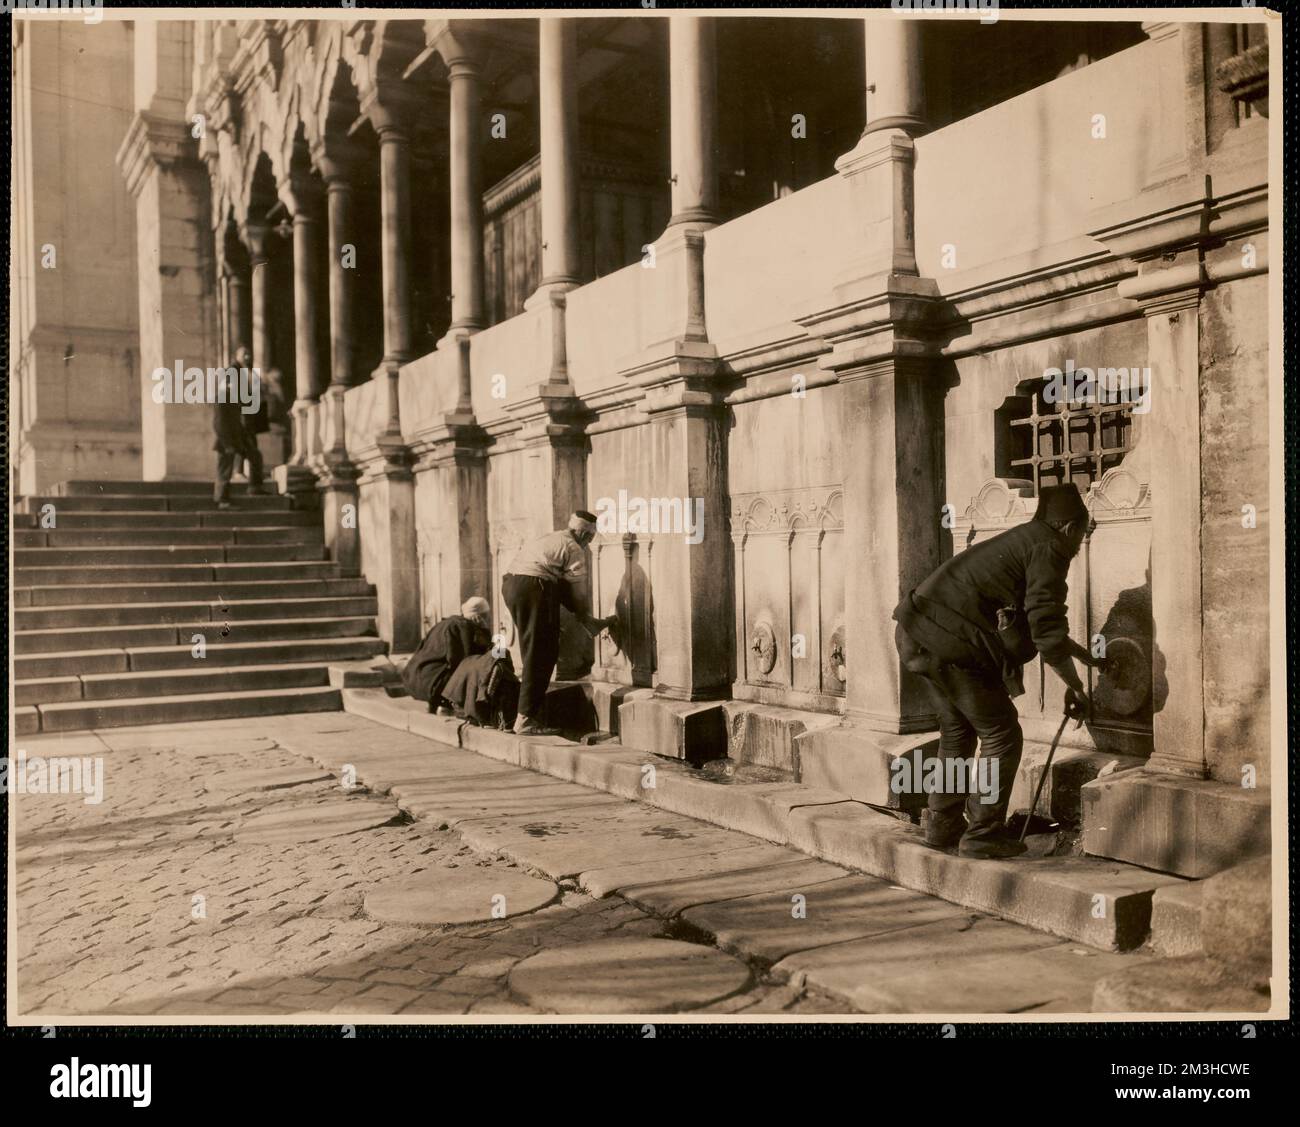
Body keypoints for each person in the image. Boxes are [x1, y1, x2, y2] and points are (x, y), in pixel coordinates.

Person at [892, 482, 1106, 860]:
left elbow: (1040, 622)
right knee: (1002, 732)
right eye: (1081, 535)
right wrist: (1075, 687)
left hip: (915, 633)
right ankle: (984, 834)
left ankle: (942, 824)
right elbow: (1045, 629)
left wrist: (1082, 656)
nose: (1078, 547)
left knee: (957, 730)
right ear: (1070, 528)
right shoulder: (1050, 549)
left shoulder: (1026, 538)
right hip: (948, 643)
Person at [502, 511, 615, 735]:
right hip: (534, 587)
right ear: (583, 534)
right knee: (543, 652)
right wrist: (585, 616)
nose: (589, 543)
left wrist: (584, 618)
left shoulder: (553, 538)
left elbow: (562, 589)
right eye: (590, 538)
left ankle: (517, 715)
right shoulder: (574, 549)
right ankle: (525, 720)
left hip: (513, 584)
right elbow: (577, 593)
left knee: (533, 650)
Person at [402, 597, 492, 713]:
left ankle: (436, 702)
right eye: (487, 616)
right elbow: (466, 663)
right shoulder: (464, 627)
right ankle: (445, 704)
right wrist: (485, 632)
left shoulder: (444, 623)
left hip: (413, 681)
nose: (489, 619)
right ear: (478, 617)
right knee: (475, 670)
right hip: (433, 685)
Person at [213, 346, 266, 507]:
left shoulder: (242, 381)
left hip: (239, 430)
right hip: (228, 432)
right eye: (245, 354)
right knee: (225, 463)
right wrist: (226, 438)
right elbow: (220, 417)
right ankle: (222, 499)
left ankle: (255, 487)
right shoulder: (226, 389)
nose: (248, 357)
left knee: (255, 455)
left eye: (249, 354)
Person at [443, 649, 520, 730]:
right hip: (467, 706)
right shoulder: (496, 667)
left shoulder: (475, 661)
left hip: (457, 703)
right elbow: (488, 693)